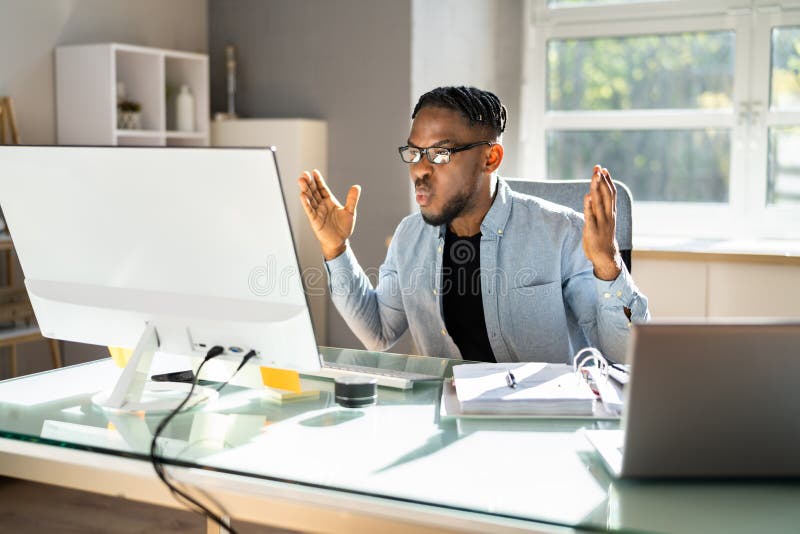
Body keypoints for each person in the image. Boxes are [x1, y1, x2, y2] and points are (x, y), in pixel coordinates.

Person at [297, 86, 649, 363]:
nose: (420, 169)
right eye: (414, 152)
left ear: (490, 158)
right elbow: (379, 332)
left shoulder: (564, 233)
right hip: (448, 426)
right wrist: (336, 249)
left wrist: (607, 263)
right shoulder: (410, 236)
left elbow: (625, 356)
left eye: (439, 154)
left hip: (542, 428)